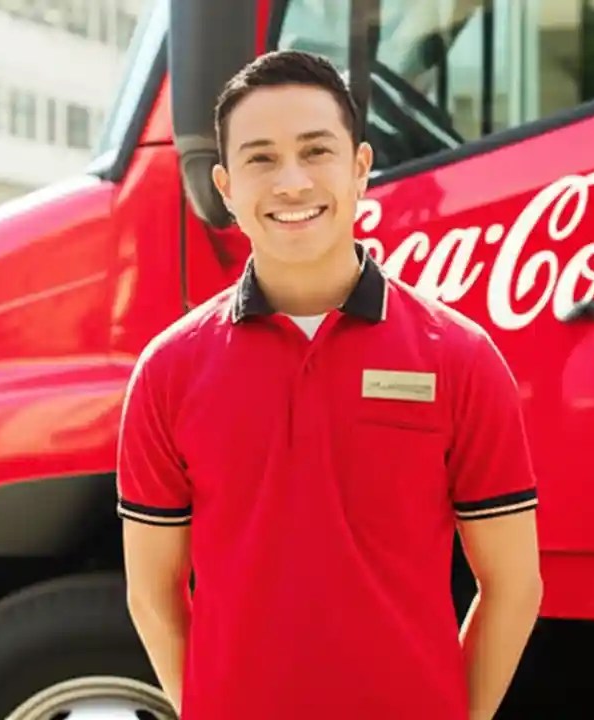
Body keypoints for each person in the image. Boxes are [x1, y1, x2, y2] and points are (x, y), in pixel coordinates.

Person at [117, 49, 542, 720]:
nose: (291, 182)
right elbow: (152, 592)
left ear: (361, 169)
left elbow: (514, 585)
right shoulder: (168, 372)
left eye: (316, 151)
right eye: (260, 158)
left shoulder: (460, 359)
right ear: (225, 187)